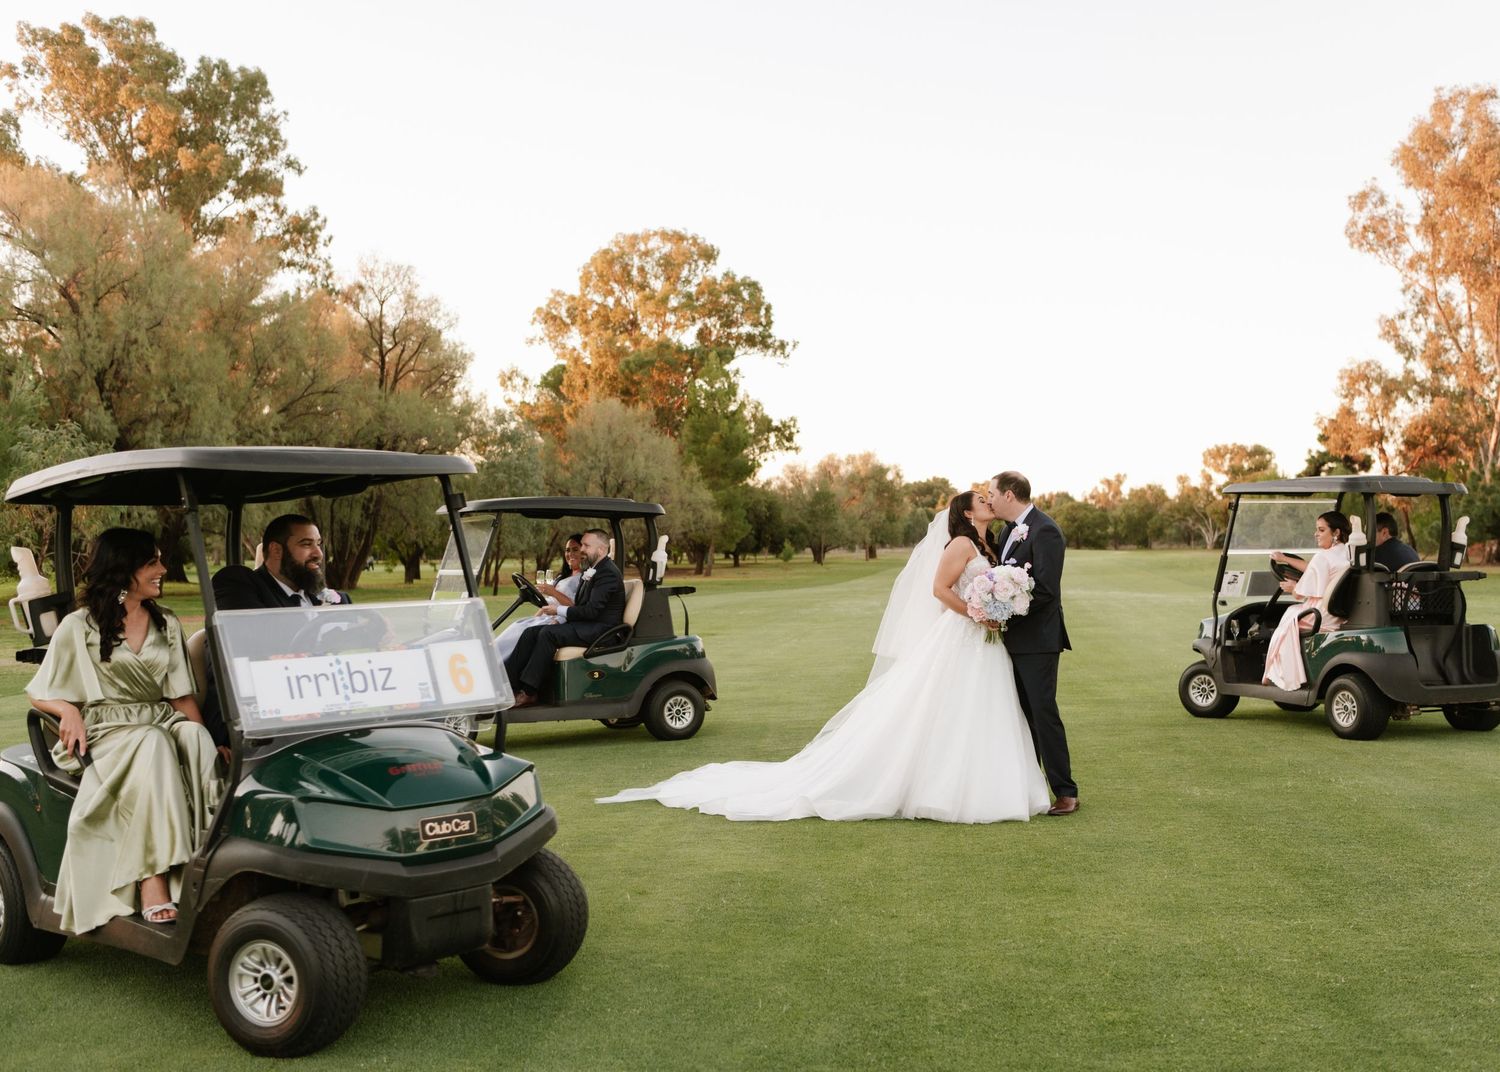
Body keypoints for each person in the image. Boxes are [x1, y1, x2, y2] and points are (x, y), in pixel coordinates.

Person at [597, 492, 1051, 823]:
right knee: (946, 708)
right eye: (983, 499)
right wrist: (976, 612)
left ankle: (983, 785)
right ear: (967, 511)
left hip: (981, 642)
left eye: (992, 497)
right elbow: (938, 590)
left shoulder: (990, 545)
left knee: (978, 711)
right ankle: (946, 788)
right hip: (962, 635)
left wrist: (994, 608)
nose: (990, 501)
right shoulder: (959, 544)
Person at [25, 528, 224, 931]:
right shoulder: (78, 626)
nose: (163, 570)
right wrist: (68, 710)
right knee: (153, 743)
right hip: (106, 730)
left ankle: (203, 872)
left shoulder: (166, 623)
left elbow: (181, 699)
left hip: (158, 721)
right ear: (123, 570)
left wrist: (210, 740)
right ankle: (152, 879)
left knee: (194, 738)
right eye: (152, 562)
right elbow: (39, 692)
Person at [988, 471, 1079, 816]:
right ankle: (1030, 787)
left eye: (991, 493)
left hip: (1038, 640)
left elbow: (1045, 591)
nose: (989, 499)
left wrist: (1001, 609)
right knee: (1020, 715)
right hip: (1009, 640)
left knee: (1043, 713)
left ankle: (1066, 791)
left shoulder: (1045, 530)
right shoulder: (1007, 532)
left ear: (1009, 495)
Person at [505, 529, 625, 708]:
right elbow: (582, 606)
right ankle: (509, 686)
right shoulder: (593, 569)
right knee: (531, 632)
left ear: (601, 550)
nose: (582, 549)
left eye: (586, 545)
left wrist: (559, 610)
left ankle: (529, 692)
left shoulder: (607, 573)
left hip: (602, 630)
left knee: (548, 634)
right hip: (588, 624)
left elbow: (591, 611)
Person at [1262, 511, 1352, 690]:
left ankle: (1276, 672)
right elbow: (1312, 569)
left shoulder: (1323, 557)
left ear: (1336, 533)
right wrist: (1284, 559)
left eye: (1321, 530)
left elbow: (1299, 594)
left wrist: (1292, 587)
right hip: (1339, 612)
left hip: (1320, 614)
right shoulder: (1348, 552)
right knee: (1291, 614)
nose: (1316, 534)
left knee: (1289, 615)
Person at [212, 514, 351, 610]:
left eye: (318, 544)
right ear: (276, 550)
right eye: (306, 544)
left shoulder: (335, 599)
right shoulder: (239, 586)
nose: (319, 554)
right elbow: (252, 639)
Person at [495, 535, 585, 661]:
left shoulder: (584, 579)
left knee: (521, 632)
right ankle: (494, 662)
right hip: (547, 616)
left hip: (560, 620)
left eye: (575, 549)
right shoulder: (563, 576)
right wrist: (535, 617)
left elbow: (575, 607)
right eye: (567, 550)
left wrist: (553, 592)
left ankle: (500, 665)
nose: (570, 554)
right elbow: (546, 604)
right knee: (517, 626)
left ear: (584, 552)